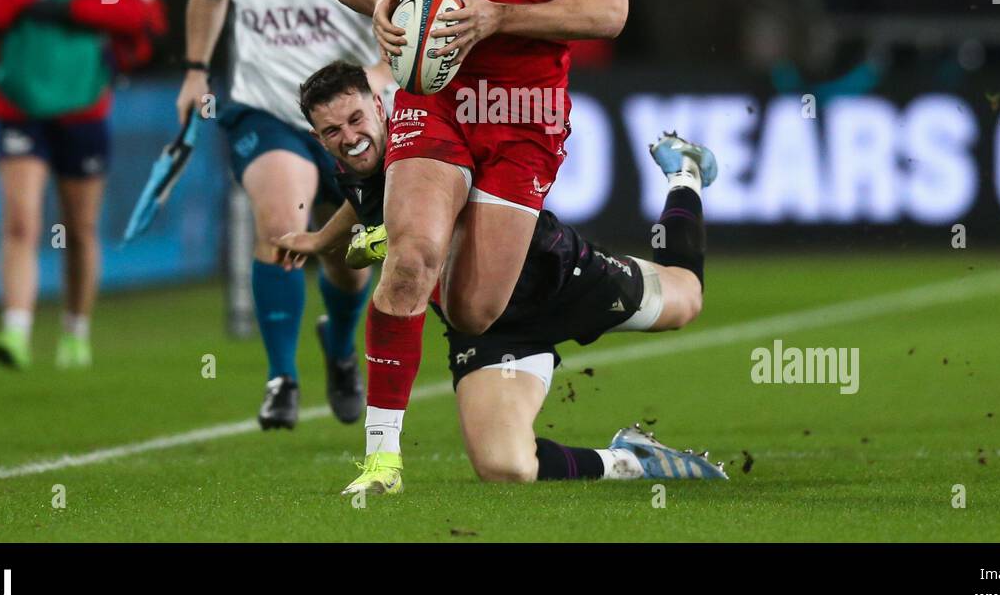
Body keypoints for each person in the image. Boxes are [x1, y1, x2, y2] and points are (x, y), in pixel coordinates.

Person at [333, 0, 629, 493]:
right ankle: (382, 459)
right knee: (412, 261)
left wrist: (500, 17)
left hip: (526, 116)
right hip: (437, 98)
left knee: (472, 311)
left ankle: (536, 264)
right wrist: (384, 2)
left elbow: (607, 11)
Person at [277, 62, 725, 491]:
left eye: (356, 119)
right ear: (319, 138)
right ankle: (629, 461)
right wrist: (322, 241)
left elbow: (432, 227)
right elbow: (365, 200)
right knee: (505, 466)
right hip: (486, 322)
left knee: (686, 298)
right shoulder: (355, 166)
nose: (351, 138)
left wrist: (378, 239)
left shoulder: (424, 142)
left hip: (552, 277)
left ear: (380, 106)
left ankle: (684, 173)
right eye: (333, 131)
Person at [177, 0, 412, 429]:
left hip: (344, 123)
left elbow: (411, 9)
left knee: (347, 261)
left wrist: (385, 71)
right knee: (282, 221)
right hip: (265, 113)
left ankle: (338, 348)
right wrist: (196, 70)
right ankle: (282, 378)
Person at [0, 0, 165, 369]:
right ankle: (16, 330)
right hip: (20, 111)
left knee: (78, 230)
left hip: (82, 111)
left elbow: (137, 12)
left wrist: (68, 8)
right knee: (21, 222)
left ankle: (75, 331)